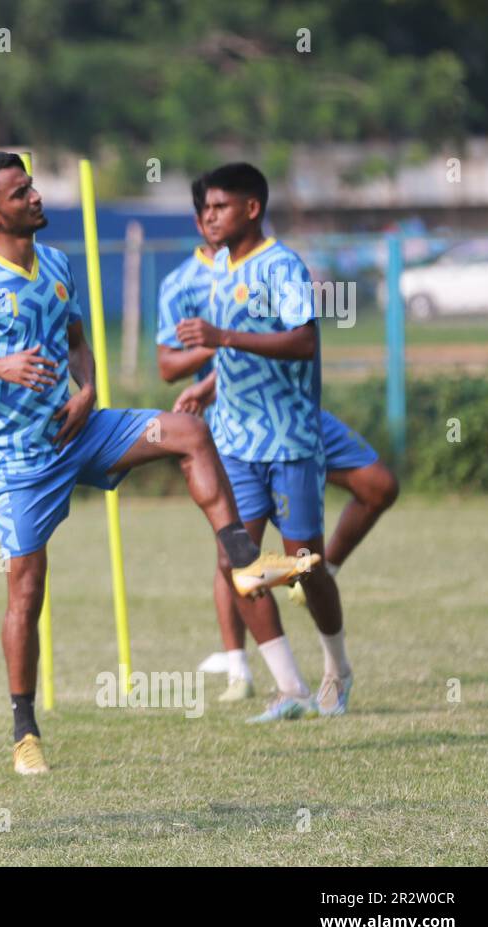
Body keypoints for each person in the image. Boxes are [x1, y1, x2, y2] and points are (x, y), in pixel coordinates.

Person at [0, 153, 316, 775]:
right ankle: (25, 730)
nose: (35, 196)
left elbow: (78, 343)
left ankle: (244, 562)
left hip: (86, 429)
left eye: (31, 185)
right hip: (20, 460)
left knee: (188, 430)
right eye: (21, 192)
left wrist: (88, 389)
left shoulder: (54, 263)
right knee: (27, 591)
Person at [175, 162, 350, 721]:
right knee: (238, 561)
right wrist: (207, 385)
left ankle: (337, 669)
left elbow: (301, 341)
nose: (209, 217)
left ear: (252, 208)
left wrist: (221, 337)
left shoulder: (282, 265)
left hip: (290, 439)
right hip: (233, 441)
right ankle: (290, 689)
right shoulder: (221, 269)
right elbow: (235, 352)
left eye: (219, 207)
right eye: (204, 209)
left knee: (306, 564)